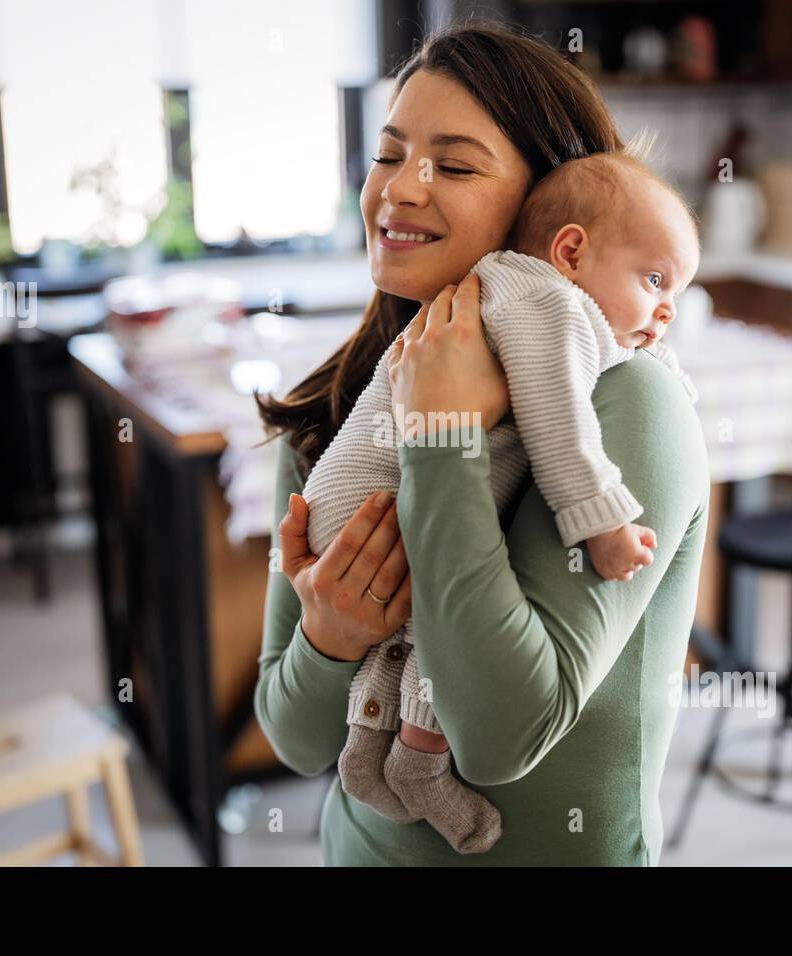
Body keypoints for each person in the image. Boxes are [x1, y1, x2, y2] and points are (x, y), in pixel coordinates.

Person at [254, 22, 709, 866]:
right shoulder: (342, 408)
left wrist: (444, 433)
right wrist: (327, 639)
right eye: (389, 155)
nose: (400, 189)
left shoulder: (630, 406)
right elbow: (294, 739)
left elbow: (503, 735)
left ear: (551, 207)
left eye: (455, 166)